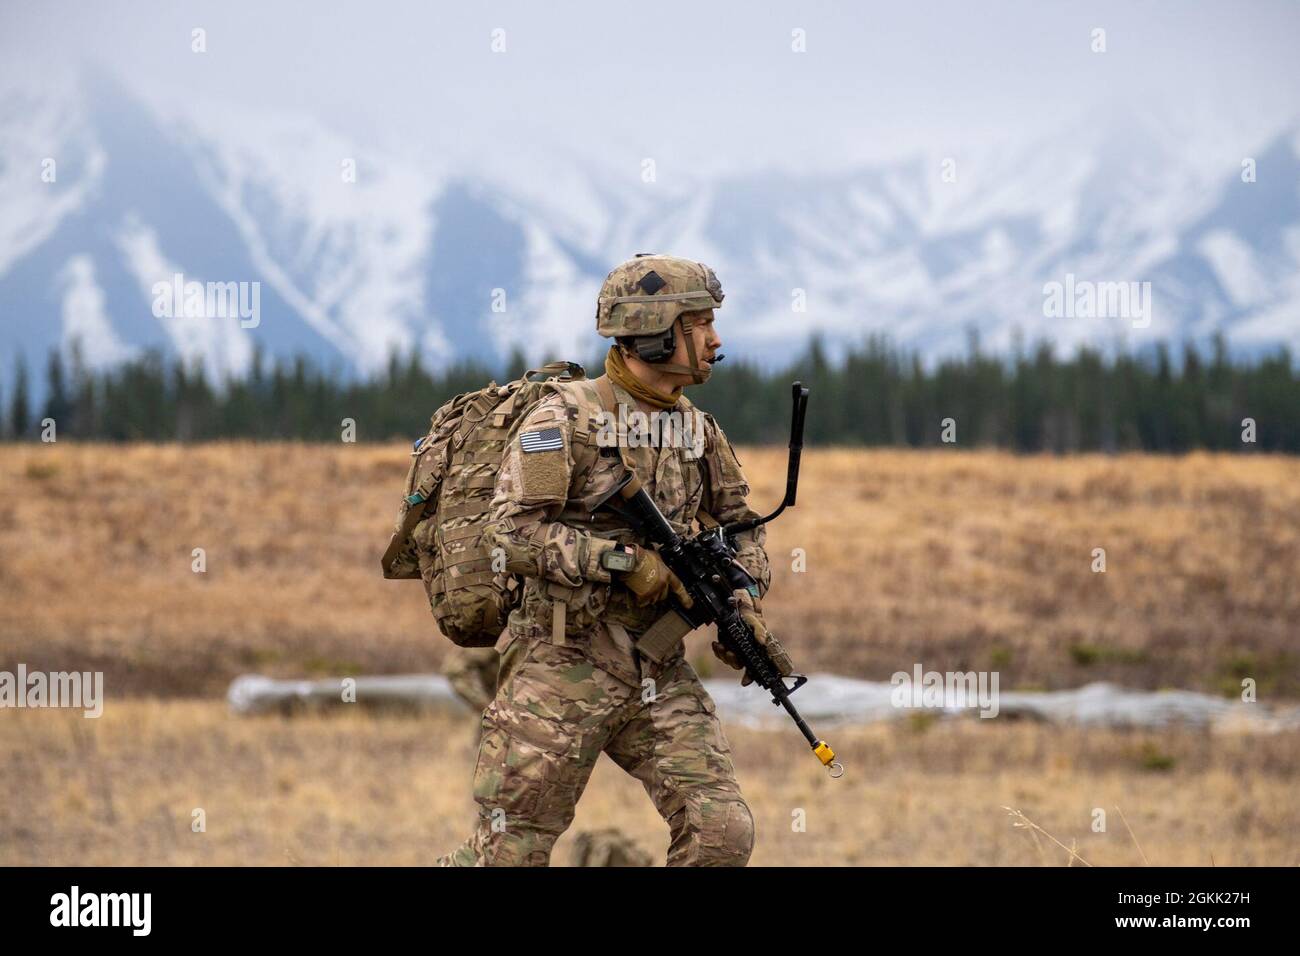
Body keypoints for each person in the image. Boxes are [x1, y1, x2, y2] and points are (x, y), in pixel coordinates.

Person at [437, 254, 790, 867]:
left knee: (722, 832)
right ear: (655, 332)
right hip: (560, 663)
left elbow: (741, 529)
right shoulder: (563, 418)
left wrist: (741, 598)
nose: (715, 340)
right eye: (699, 323)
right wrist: (627, 564)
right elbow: (513, 532)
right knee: (509, 849)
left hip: (655, 665)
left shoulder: (699, 431)